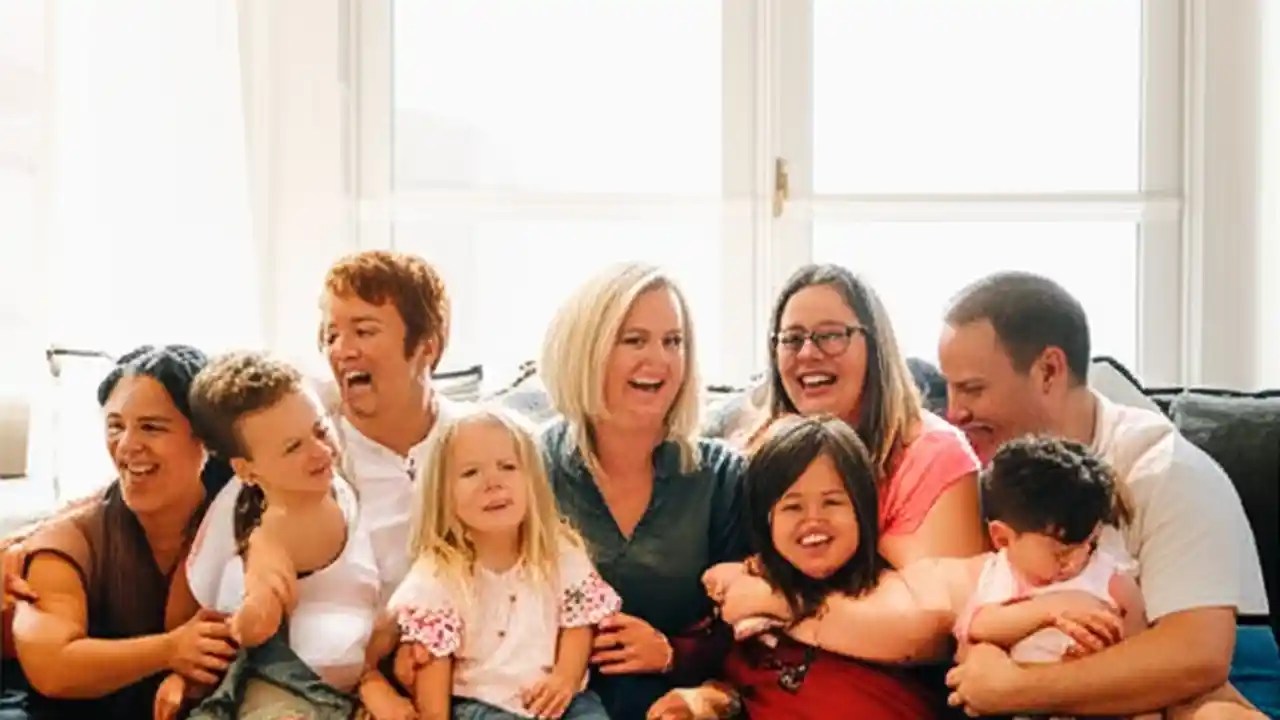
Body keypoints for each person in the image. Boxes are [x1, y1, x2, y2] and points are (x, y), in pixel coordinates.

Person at [939, 271, 1278, 718]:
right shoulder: (995, 476)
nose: (954, 412)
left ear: (1048, 371)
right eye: (948, 388)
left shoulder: (1164, 468)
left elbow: (1197, 657)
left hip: (1219, 690)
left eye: (972, 389)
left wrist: (1017, 688)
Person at [538, 262, 749, 720]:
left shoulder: (722, 476)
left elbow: (751, 626)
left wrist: (672, 652)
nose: (660, 360)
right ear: (586, 350)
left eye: (673, 341)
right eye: (634, 340)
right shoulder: (530, 467)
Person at [649, 415, 949, 720]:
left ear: (862, 509)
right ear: (766, 522)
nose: (813, 519)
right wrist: (687, 677)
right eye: (792, 507)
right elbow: (707, 660)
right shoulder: (746, 599)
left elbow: (926, 636)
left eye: (832, 502)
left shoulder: (892, 595)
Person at [1, 345, 238, 719]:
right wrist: (171, 649)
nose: (127, 445)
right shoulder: (69, 541)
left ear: (205, 439)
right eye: (115, 426)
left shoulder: (238, 514)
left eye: (152, 427)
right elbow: (52, 667)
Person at [171, 352, 393, 719]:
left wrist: (372, 679)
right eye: (293, 448)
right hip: (284, 690)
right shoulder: (272, 531)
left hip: (349, 690)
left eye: (320, 430)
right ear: (248, 470)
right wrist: (254, 613)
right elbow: (257, 605)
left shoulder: (341, 487)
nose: (320, 450)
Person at [744, 263, 985, 566]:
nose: (807, 353)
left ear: (875, 347)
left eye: (831, 335)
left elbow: (943, 592)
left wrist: (771, 593)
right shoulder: (753, 452)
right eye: (792, 339)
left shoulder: (936, 455)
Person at [387, 406, 620, 719]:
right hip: (482, 703)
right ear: (443, 494)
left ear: (533, 481)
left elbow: (578, 621)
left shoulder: (559, 551)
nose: (492, 483)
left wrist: (565, 678)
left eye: (508, 467)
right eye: (471, 473)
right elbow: (432, 662)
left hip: (558, 698)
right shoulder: (439, 574)